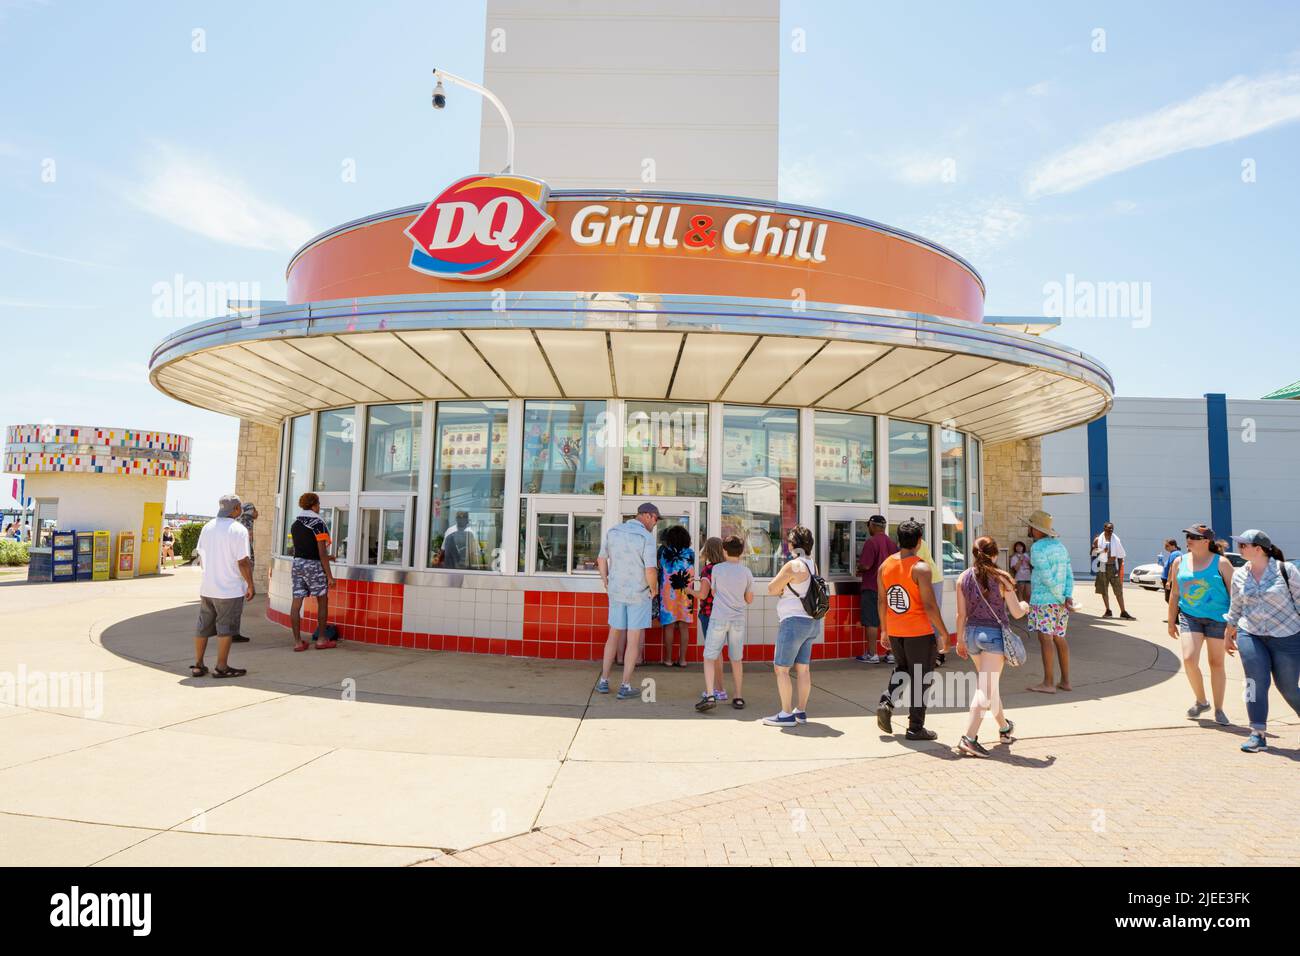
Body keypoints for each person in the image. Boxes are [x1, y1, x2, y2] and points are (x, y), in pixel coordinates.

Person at [1225, 530, 1300, 752]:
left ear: (1259, 549)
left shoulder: (1286, 571)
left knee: (1287, 687)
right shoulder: (1240, 574)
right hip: (1251, 633)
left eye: (1243, 545)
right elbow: (1236, 606)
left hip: (1287, 635)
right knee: (1254, 682)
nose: (1239, 548)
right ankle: (1257, 733)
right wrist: (1229, 632)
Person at [875, 519, 949, 740]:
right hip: (919, 631)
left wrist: (884, 630)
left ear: (899, 540)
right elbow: (929, 605)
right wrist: (943, 633)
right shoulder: (921, 568)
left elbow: (881, 601)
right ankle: (915, 727)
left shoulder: (885, 566)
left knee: (902, 669)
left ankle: (887, 701)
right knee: (922, 678)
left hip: (896, 630)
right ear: (919, 542)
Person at [956, 536, 1030, 756]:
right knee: (985, 689)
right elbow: (1016, 612)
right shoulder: (1002, 578)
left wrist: (959, 640)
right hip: (993, 637)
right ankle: (969, 738)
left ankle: (1004, 728)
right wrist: (1025, 606)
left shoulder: (963, 578)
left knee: (989, 686)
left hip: (971, 635)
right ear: (995, 554)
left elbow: (961, 614)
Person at [1164, 523, 1233, 724]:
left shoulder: (1222, 564)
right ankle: (1202, 701)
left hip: (1218, 620)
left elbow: (1235, 595)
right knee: (1189, 659)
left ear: (1206, 541)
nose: (1188, 540)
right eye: (1188, 536)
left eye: (1193, 537)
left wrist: (1233, 625)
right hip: (1190, 616)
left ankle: (1219, 709)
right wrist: (1171, 621)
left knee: (1216, 663)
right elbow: (1175, 593)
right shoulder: (1179, 561)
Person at [597, 503, 659, 700]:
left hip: (616, 592)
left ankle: (604, 681)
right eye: (656, 519)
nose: (655, 524)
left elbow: (601, 559)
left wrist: (606, 581)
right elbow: (650, 569)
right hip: (639, 594)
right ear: (648, 516)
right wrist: (654, 588)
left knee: (613, 636)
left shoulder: (613, 531)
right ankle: (625, 685)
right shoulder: (646, 538)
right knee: (633, 641)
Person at [190, 494, 254, 679]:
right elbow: (243, 561)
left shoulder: (207, 527)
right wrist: (250, 584)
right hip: (229, 589)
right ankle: (221, 666)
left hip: (208, 588)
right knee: (225, 629)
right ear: (235, 509)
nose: (241, 509)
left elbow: (201, 555)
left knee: (202, 628)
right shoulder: (238, 530)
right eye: (239, 506)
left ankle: (198, 665)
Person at [763, 526, 821, 727]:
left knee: (782, 669)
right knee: (803, 669)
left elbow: (771, 588)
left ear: (793, 545)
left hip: (793, 622)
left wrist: (781, 590)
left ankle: (786, 714)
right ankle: (800, 711)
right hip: (812, 622)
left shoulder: (793, 565)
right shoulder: (812, 564)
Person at [696, 535, 753, 712]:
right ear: (741, 552)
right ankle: (738, 696)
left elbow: (713, 591)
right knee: (736, 659)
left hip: (719, 617)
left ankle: (711, 694)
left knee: (709, 656)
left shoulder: (717, 570)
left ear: (724, 550)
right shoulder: (747, 572)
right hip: (737, 620)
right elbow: (749, 599)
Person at [1024, 509, 1076, 694]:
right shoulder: (1060, 546)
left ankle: (1048, 682)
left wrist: (1060, 597)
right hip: (1061, 601)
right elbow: (1069, 574)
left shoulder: (1037, 548)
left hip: (1045, 600)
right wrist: (1067, 596)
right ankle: (1066, 681)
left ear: (1037, 530)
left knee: (1045, 639)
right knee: (1059, 638)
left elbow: (1046, 576)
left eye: (1030, 526)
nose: (1028, 529)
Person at [289, 492, 336, 651]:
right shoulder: (318, 523)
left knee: (296, 603)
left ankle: (298, 642)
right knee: (322, 600)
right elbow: (320, 552)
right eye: (319, 504)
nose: (319, 507)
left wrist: (328, 558)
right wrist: (329, 576)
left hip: (297, 565)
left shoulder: (295, 523)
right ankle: (322, 639)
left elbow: (304, 549)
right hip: (313, 566)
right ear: (314, 505)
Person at [854, 515, 897, 664]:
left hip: (872, 587)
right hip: (890, 589)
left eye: (869, 525)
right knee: (889, 621)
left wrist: (857, 567)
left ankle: (872, 654)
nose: (868, 528)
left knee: (871, 622)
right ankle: (891, 654)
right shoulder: (892, 543)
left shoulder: (871, 543)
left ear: (873, 525)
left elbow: (865, 565)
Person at [694, 536, 728, 701]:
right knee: (718, 652)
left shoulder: (708, 570)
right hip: (725, 614)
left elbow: (703, 594)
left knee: (713, 653)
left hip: (709, 614)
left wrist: (688, 591)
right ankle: (719, 688)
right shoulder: (727, 568)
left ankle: (718, 689)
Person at [656, 523, 695, 667]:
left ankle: (668, 659)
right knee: (684, 627)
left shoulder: (664, 553)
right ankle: (683, 660)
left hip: (667, 594)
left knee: (669, 627)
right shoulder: (691, 553)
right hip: (686, 593)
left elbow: (659, 567)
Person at [1092, 521, 1134, 619]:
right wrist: (1101, 551)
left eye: (1112, 528)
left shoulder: (1116, 540)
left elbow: (1120, 556)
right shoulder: (1098, 539)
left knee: (1118, 589)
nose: (1110, 530)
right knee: (1103, 589)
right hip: (1102, 565)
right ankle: (1108, 610)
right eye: (1108, 528)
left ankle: (1123, 611)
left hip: (1112, 566)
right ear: (1104, 529)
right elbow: (1092, 553)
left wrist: (1119, 570)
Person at [231, 502, 259, 642]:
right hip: (243, 563)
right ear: (249, 511)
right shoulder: (246, 520)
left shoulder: (237, 520)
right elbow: (248, 538)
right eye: (254, 510)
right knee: (238, 599)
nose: (257, 513)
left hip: (236, 564)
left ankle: (230, 631)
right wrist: (250, 583)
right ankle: (232, 632)